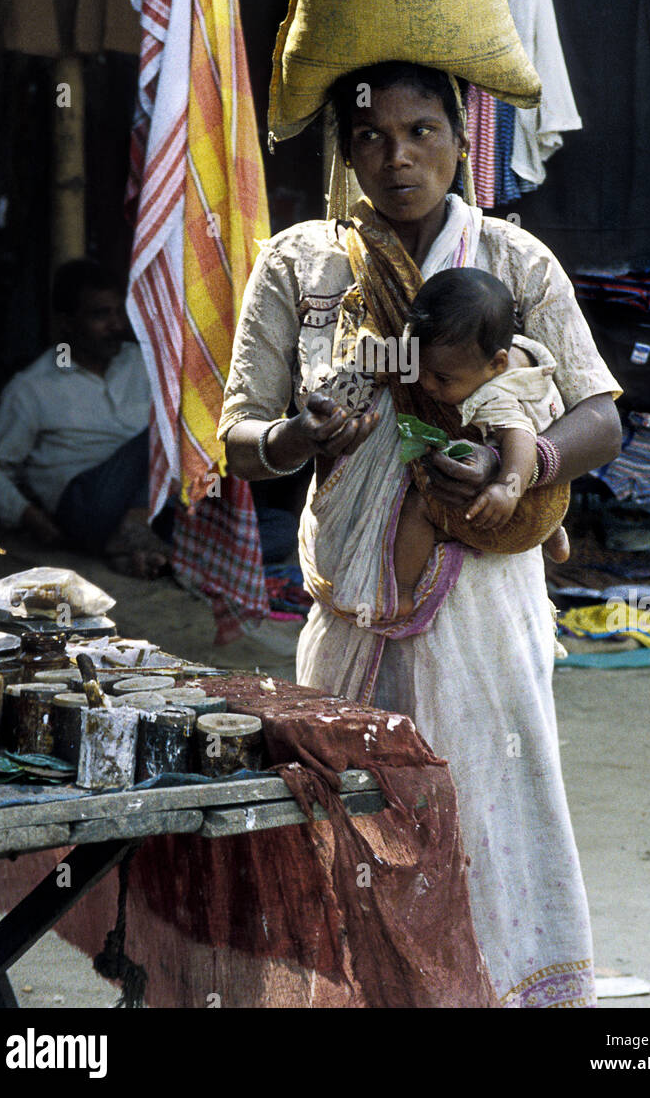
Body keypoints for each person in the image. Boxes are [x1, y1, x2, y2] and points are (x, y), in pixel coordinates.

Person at [221, 60, 623, 1006]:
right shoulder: (297, 265)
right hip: (350, 604)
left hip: (482, 605)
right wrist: (296, 435)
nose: (398, 157)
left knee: (483, 813)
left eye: (422, 132)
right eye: (371, 136)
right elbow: (239, 440)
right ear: (343, 148)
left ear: (460, 138)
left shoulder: (514, 260)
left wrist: (516, 465)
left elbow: (600, 415)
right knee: (341, 815)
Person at [0, 258, 169, 576]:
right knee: (163, 433)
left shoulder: (140, 362)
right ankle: (133, 537)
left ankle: (129, 545)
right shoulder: (32, 387)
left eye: (119, 312)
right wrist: (29, 516)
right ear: (67, 323)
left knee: (274, 532)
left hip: (149, 497)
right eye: (100, 315)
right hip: (87, 504)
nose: (117, 325)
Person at [393, 266, 569, 617]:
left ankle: (403, 593)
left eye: (441, 378)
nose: (427, 385)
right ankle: (555, 532)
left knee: (418, 507)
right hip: (558, 495)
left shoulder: (495, 397)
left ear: (496, 364)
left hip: (519, 507)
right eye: (420, 370)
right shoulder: (522, 351)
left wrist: (507, 488)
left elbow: (519, 437)